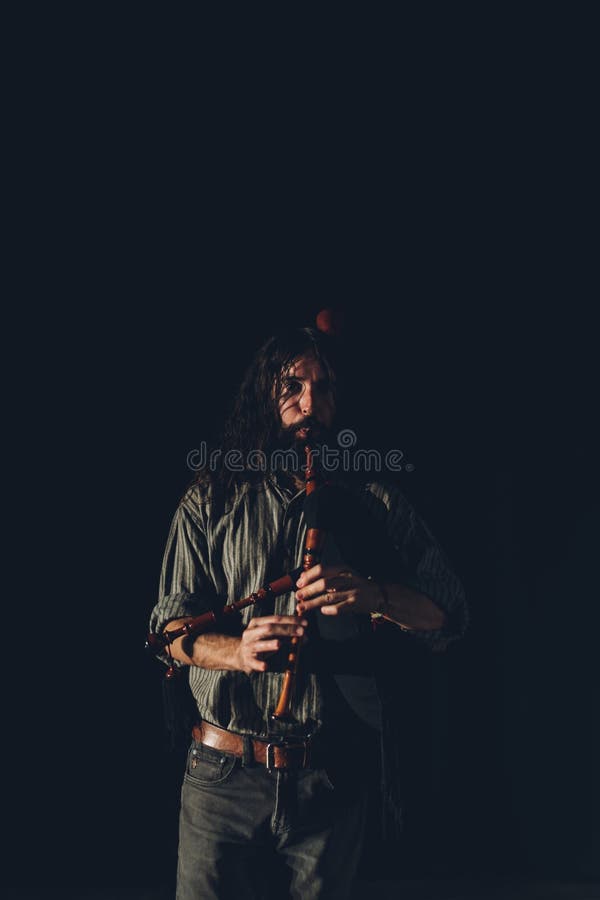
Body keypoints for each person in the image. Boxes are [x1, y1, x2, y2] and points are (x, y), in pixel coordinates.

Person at [148, 319, 468, 899]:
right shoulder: (212, 496)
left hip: (330, 781)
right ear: (265, 396)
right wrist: (239, 650)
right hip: (222, 779)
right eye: (292, 386)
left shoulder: (376, 503)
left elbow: (449, 618)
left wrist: (376, 595)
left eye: (324, 388)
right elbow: (168, 632)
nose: (309, 405)